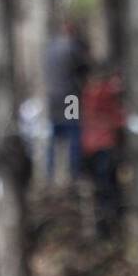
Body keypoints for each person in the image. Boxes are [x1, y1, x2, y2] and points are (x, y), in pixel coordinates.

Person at [81, 65, 125, 240]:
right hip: (103, 146)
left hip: (90, 147)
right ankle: (110, 225)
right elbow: (117, 119)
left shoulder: (85, 94)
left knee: (100, 189)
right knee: (108, 188)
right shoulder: (104, 94)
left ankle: (103, 226)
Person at [44, 18, 89, 182]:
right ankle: (74, 172)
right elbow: (84, 68)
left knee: (54, 134)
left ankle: (50, 172)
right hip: (70, 97)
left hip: (53, 97)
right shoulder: (72, 47)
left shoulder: (50, 47)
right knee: (73, 133)